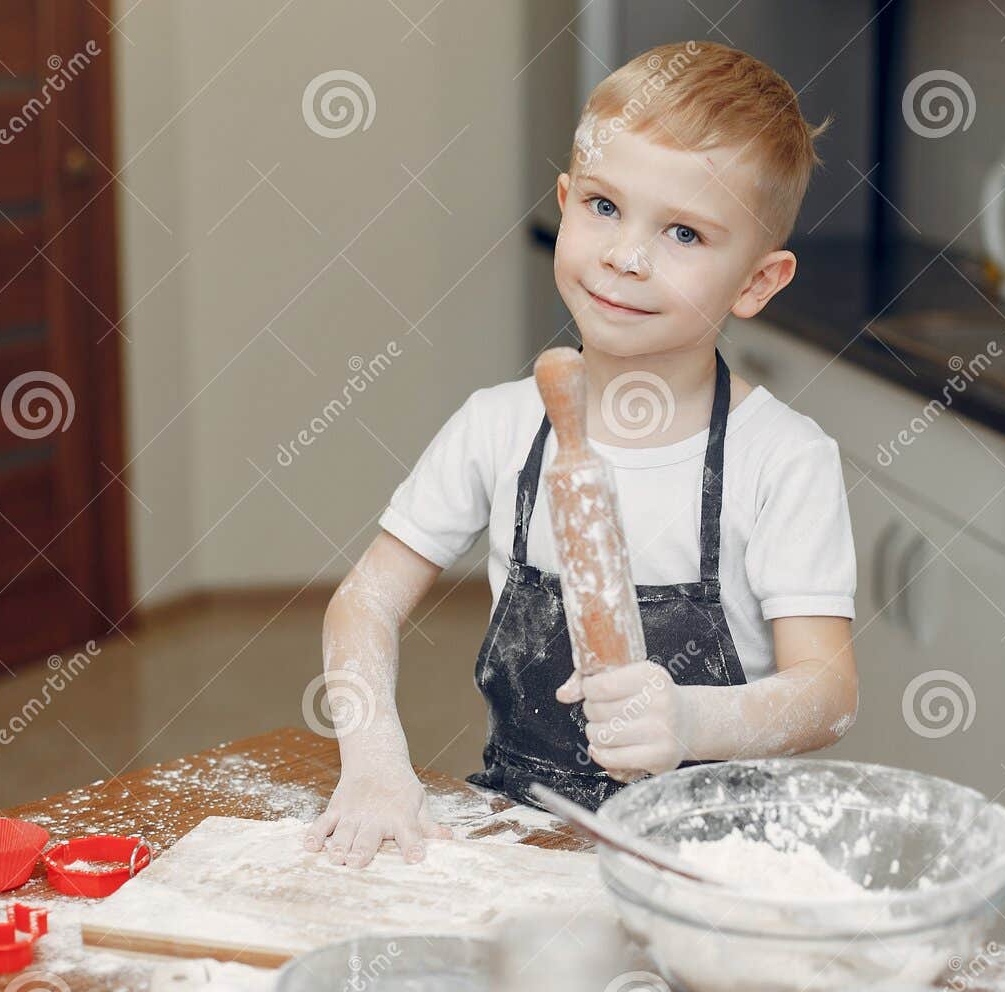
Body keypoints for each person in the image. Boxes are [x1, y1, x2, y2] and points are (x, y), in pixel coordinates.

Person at [306, 41, 857, 868]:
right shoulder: (498, 426)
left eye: (683, 232)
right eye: (603, 207)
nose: (624, 256)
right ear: (565, 202)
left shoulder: (782, 460)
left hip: (709, 868)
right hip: (518, 837)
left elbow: (828, 693)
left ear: (756, 282)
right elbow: (363, 603)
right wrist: (375, 762)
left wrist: (691, 721)